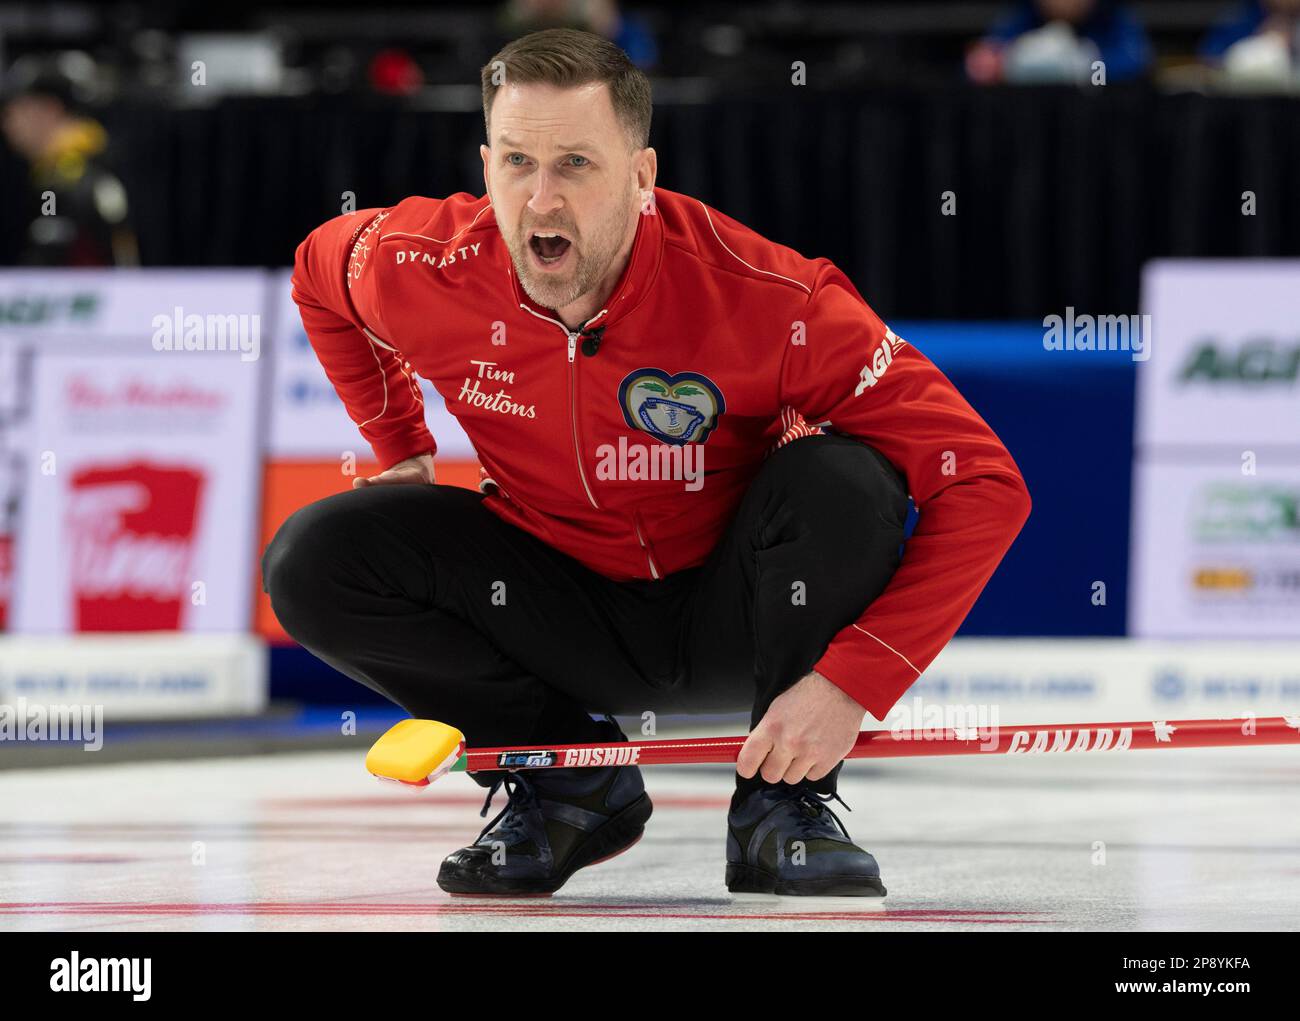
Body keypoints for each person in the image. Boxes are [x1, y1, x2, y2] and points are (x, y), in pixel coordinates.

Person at [264, 28, 1030, 898]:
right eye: (516, 162)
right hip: (555, 613)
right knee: (312, 557)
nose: (540, 201)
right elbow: (314, 274)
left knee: (843, 478)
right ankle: (566, 785)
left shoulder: (776, 299)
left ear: (642, 175)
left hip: (740, 614)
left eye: (577, 165)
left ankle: (783, 805)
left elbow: (983, 483)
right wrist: (401, 445)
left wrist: (854, 681)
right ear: (484, 165)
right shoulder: (421, 264)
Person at [0, 65, 137, 267]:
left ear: (48, 110)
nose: (7, 125)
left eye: (13, 112)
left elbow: (122, 261)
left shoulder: (88, 173)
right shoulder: (46, 172)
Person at [966, 0, 1151, 84]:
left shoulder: (1112, 17)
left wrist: (1085, 67)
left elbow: (1136, 64)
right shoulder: (1022, 16)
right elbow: (977, 66)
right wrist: (1005, 66)